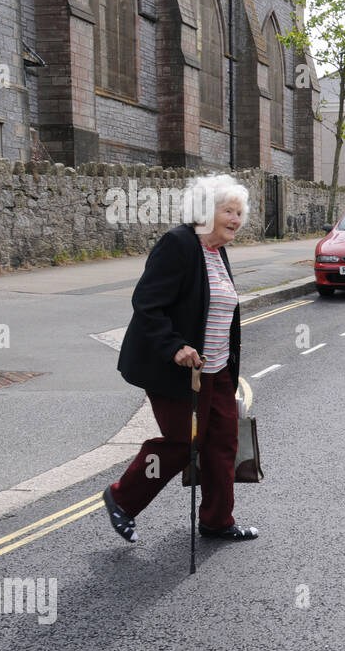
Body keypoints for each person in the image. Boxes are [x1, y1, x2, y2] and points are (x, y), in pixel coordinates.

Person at [102, 174, 260, 544]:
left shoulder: (217, 250)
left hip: (217, 370)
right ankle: (122, 499)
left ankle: (217, 521)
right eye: (228, 211)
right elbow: (147, 303)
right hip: (178, 371)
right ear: (206, 211)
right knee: (183, 441)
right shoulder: (178, 244)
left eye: (239, 212)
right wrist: (175, 346)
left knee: (223, 442)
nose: (236, 219)